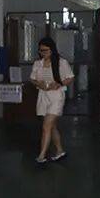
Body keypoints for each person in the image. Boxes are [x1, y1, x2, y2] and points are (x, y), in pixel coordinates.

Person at [30, 36, 74, 164]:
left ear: (52, 50)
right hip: (43, 96)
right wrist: (39, 84)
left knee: (46, 126)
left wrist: (59, 84)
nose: (43, 53)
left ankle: (41, 156)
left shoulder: (61, 62)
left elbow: (70, 77)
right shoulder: (38, 64)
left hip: (56, 96)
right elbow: (32, 79)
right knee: (52, 126)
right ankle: (60, 150)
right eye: (41, 51)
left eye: (45, 50)